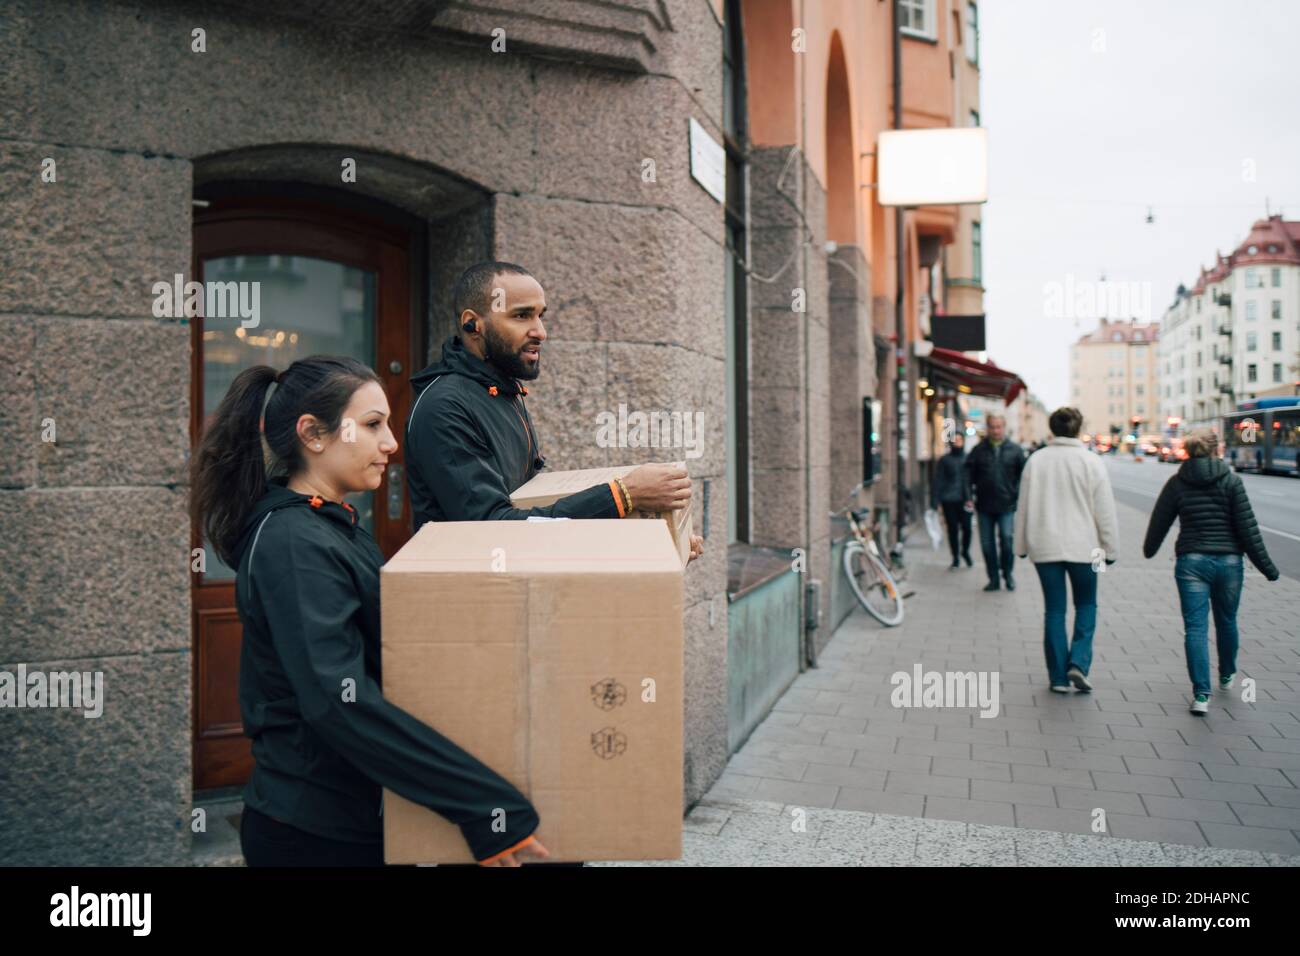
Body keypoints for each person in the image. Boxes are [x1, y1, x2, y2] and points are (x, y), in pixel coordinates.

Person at [191, 356, 549, 867]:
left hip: (354, 819)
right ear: (313, 434)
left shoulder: (331, 526)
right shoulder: (295, 544)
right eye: (373, 425)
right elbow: (340, 700)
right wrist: (482, 805)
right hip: (313, 835)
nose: (391, 444)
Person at [405, 260, 703, 564]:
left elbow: (535, 513)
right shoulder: (445, 407)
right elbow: (493, 529)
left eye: (540, 315)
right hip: (470, 602)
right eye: (521, 316)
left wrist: (652, 538)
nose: (540, 332)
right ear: (473, 324)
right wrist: (623, 495)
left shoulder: (504, 392)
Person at [1142, 428, 1279, 715]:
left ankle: (1201, 695)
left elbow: (1159, 522)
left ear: (1189, 451)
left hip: (1191, 562)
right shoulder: (1231, 481)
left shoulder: (1177, 483)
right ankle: (1227, 673)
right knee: (1227, 620)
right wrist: (1268, 569)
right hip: (1229, 562)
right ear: (1217, 450)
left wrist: (1149, 549)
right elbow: (1248, 529)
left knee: (1195, 628)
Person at [1014, 407, 1120, 694]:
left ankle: (1058, 676)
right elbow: (1105, 511)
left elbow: (1022, 507)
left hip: (1044, 546)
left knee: (1054, 610)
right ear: (1078, 428)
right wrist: (1109, 549)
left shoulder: (1036, 461)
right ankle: (1079, 662)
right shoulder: (1091, 461)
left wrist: (1020, 545)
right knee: (1087, 604)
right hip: (1088, 549)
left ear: (1052, 429)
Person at [965, 413, 1026, 591]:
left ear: (1004, 427)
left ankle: (1007, 573)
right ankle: (993, 579)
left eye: (999, 427)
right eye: (992, 427)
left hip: (1007, 505)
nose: (996, 430)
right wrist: (968, 496)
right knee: (986, 544)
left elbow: (1024, 476)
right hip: (984, 505)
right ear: (988, 427)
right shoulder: (979, 450)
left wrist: (1018, 496)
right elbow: (967, 474)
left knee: (1007, 540)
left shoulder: (1015, 450)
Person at [931, 433, 972, 569]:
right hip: (949, 499)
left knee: (967, 528)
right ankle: (955, 557)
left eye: (960, 439)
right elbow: (938, 480)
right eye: (955, 440)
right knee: (952, 529)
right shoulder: (945, 460)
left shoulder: (968, 458)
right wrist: (935, 500)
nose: (957, 442)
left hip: (965, 500)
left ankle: (965, 551)